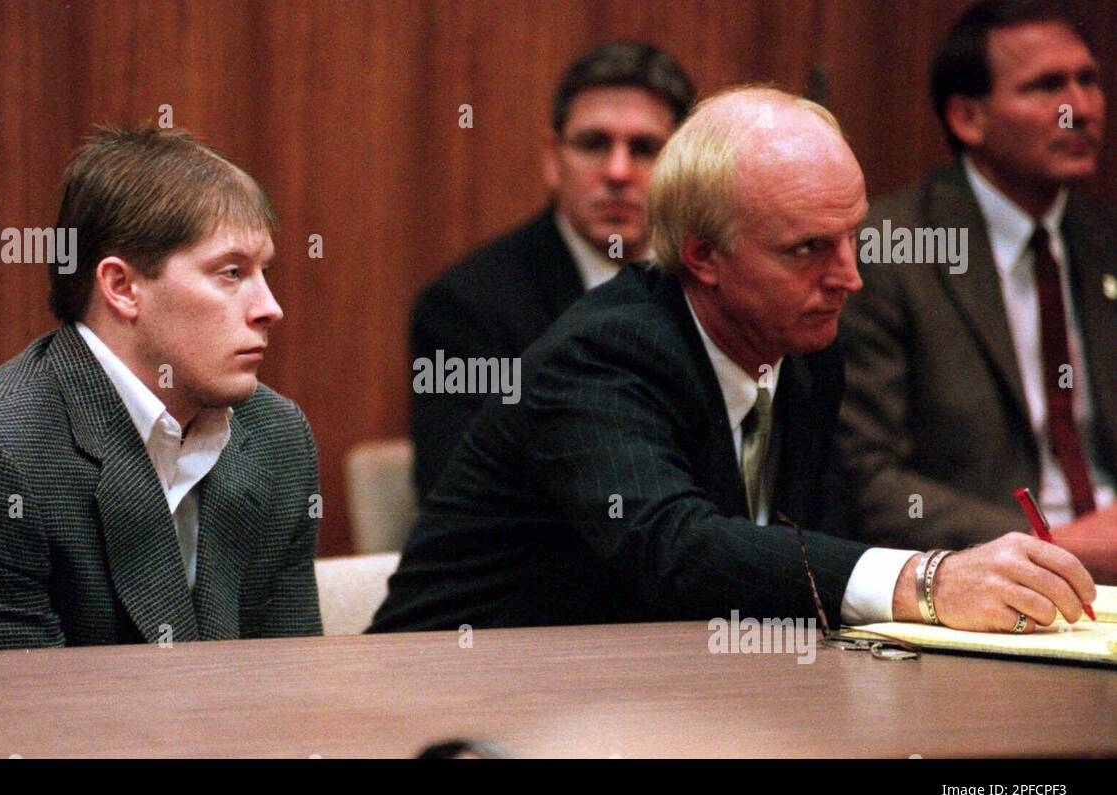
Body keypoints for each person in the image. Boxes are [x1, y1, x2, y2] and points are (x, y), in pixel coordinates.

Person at [371, 87, 1096, 636]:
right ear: (703, 256)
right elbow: (675, 547)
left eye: (851, 237)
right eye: (808, 248)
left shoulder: (807, 346)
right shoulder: (604, 353)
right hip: (458, 691)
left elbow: (802, 550)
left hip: (662, 694)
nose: (851, 277)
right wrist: (926, 580)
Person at [0, 127, 322, 652]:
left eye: (265, 272)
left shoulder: (276, 436)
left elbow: (287, 686)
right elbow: (14, 723)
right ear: (123, 287)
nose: (270, 307)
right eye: (231, 272)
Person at [835, 0, 1117, 579]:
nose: (1081, 110)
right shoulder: (889, 251)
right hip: (989, 573)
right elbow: (866, 480)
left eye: (1088, 80)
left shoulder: (1104, 239)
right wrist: (1049, 544)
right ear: (967, 118)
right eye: (1046, 87)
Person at [410, 41, 695, 499]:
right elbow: (460, 495)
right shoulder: (466, 307)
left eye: (644, 148)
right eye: (593, 143)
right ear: (552, 158)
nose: (618, 171)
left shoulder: (714, 286)